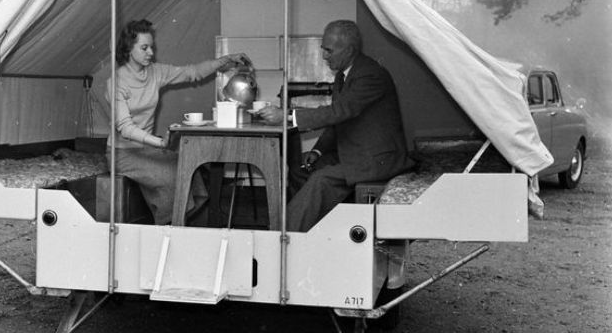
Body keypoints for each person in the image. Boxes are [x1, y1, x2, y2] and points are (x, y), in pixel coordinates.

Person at [257, 19, 412, 232]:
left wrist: (288, 116)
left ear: (349, 50)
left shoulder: (370, 75)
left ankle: (283, 238)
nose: (324, 56)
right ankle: (311, 232)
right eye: (323, 49)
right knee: (300, 171)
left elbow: (338, 112)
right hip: (355, 152)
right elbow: (339, 120)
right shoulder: (346, 74)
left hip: (376, 159)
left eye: (329, 50)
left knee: (321, 180)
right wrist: (318, 151)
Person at [106, 19, 248, 225]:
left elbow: (192, 72)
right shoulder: (116, 82)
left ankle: (177, 222)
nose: (151, 53)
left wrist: (226, 59)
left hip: (147, 149)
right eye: (144, 48)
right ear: (128, 49)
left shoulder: (155, 72)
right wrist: (159, 142)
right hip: (122, 154)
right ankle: (166, 228)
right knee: (172, 177)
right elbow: (125, 128)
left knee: (189, 166)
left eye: (151, 47)